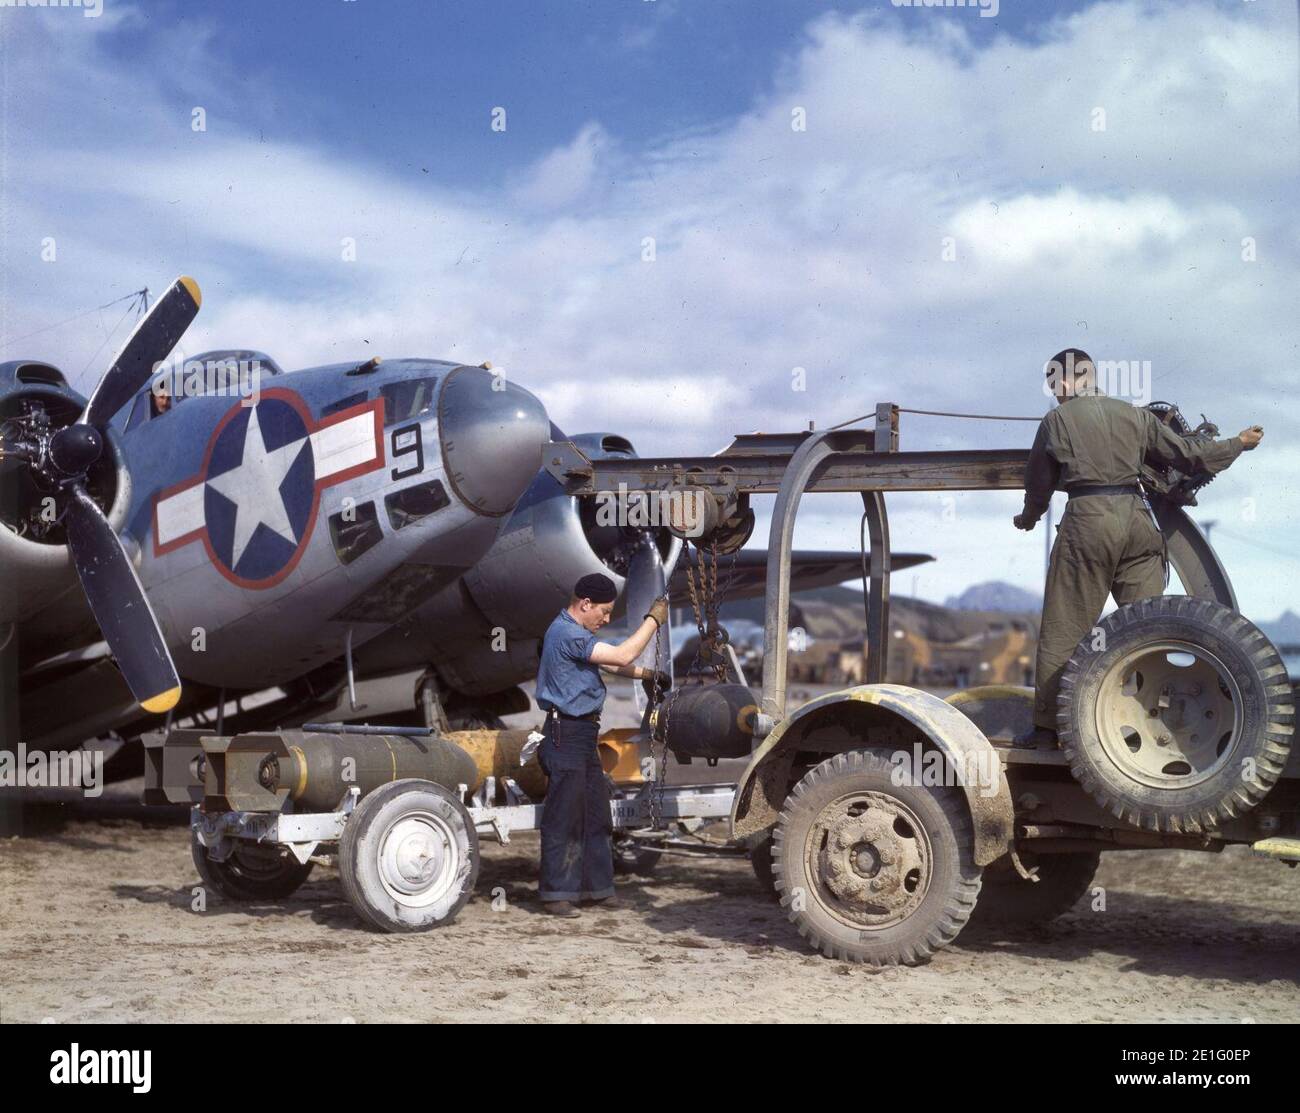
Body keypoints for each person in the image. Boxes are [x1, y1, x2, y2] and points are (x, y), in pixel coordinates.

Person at [1012, 348, 1263, 748]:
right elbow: (1190, 455)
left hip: (1087, 524)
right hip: (1138, 524)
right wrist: (1238, 443)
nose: (1054, 393)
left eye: (1052, 383)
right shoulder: (1136, 416)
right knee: (1143, 633)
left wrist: (1028, 518)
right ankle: (1142, 731)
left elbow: (1037, 485)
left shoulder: (1056, 420)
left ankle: (1046, 730)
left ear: (1065, 380)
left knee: (1066, 627)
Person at [534, 572, 669, 917]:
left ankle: (598, 888)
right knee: (564, 817)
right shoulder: (566, 632)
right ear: (585, 604)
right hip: (566, 735)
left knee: (597, 813)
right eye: (604, 612)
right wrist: (653, 620)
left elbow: (613, 663)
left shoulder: (573, 633)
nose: (606, 619)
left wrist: (648, 676)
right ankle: (556, 894)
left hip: (583, 735)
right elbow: (623, 655)